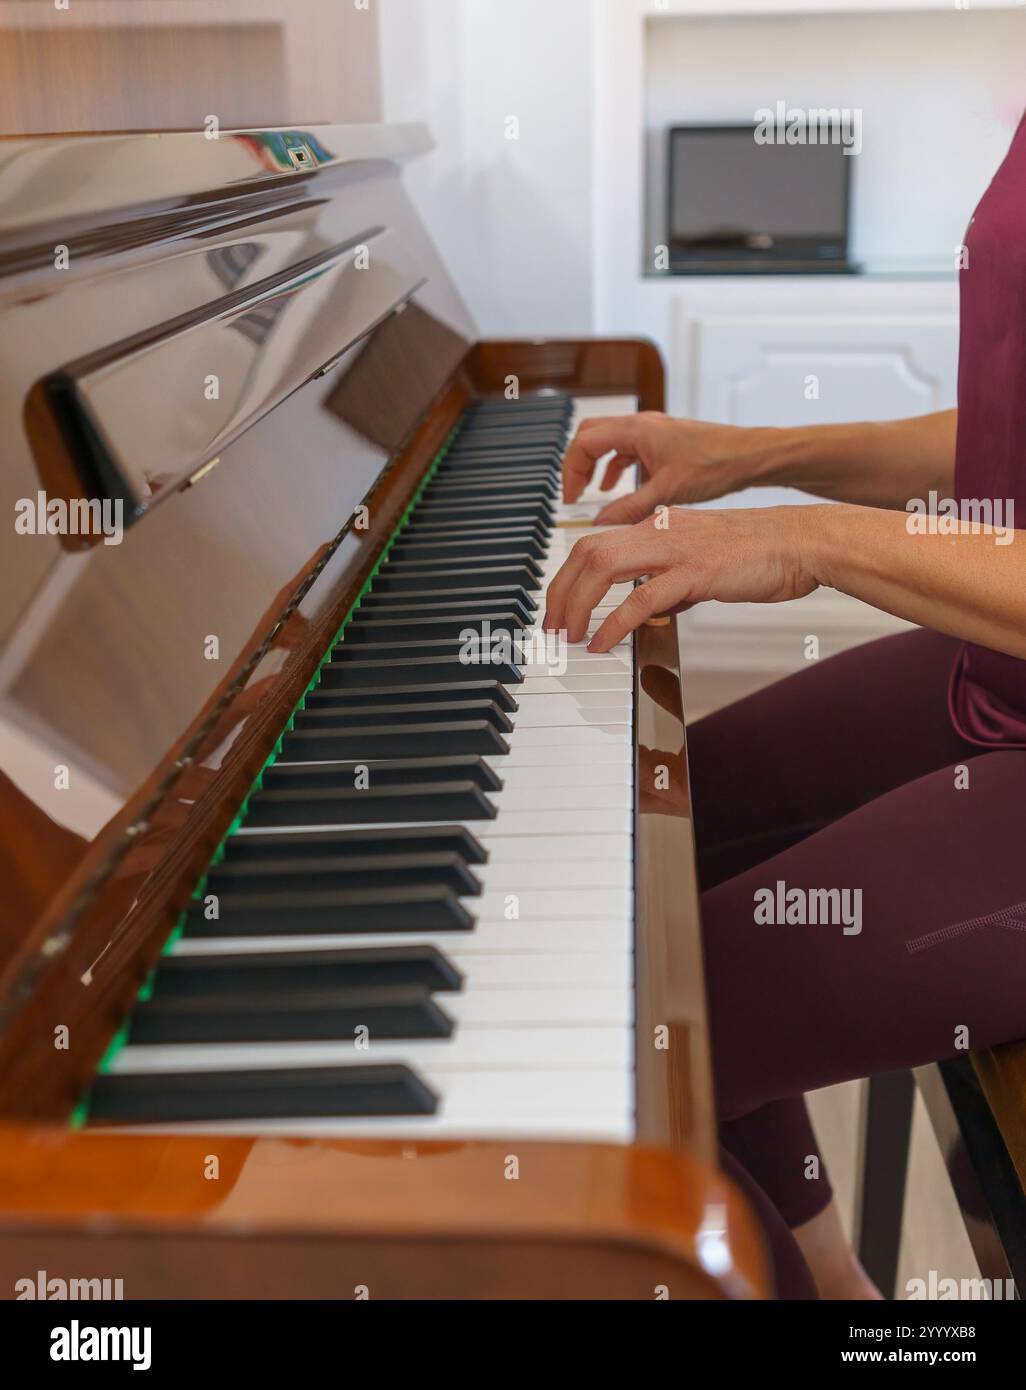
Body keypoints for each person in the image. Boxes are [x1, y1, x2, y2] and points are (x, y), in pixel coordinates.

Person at [543, 113, 1026, 1299]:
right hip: (999, 675)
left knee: (635, 1039)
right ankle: (836, 1279)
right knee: (647, 845)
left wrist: (810, 539)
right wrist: (749, 455)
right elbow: (1004, 424)